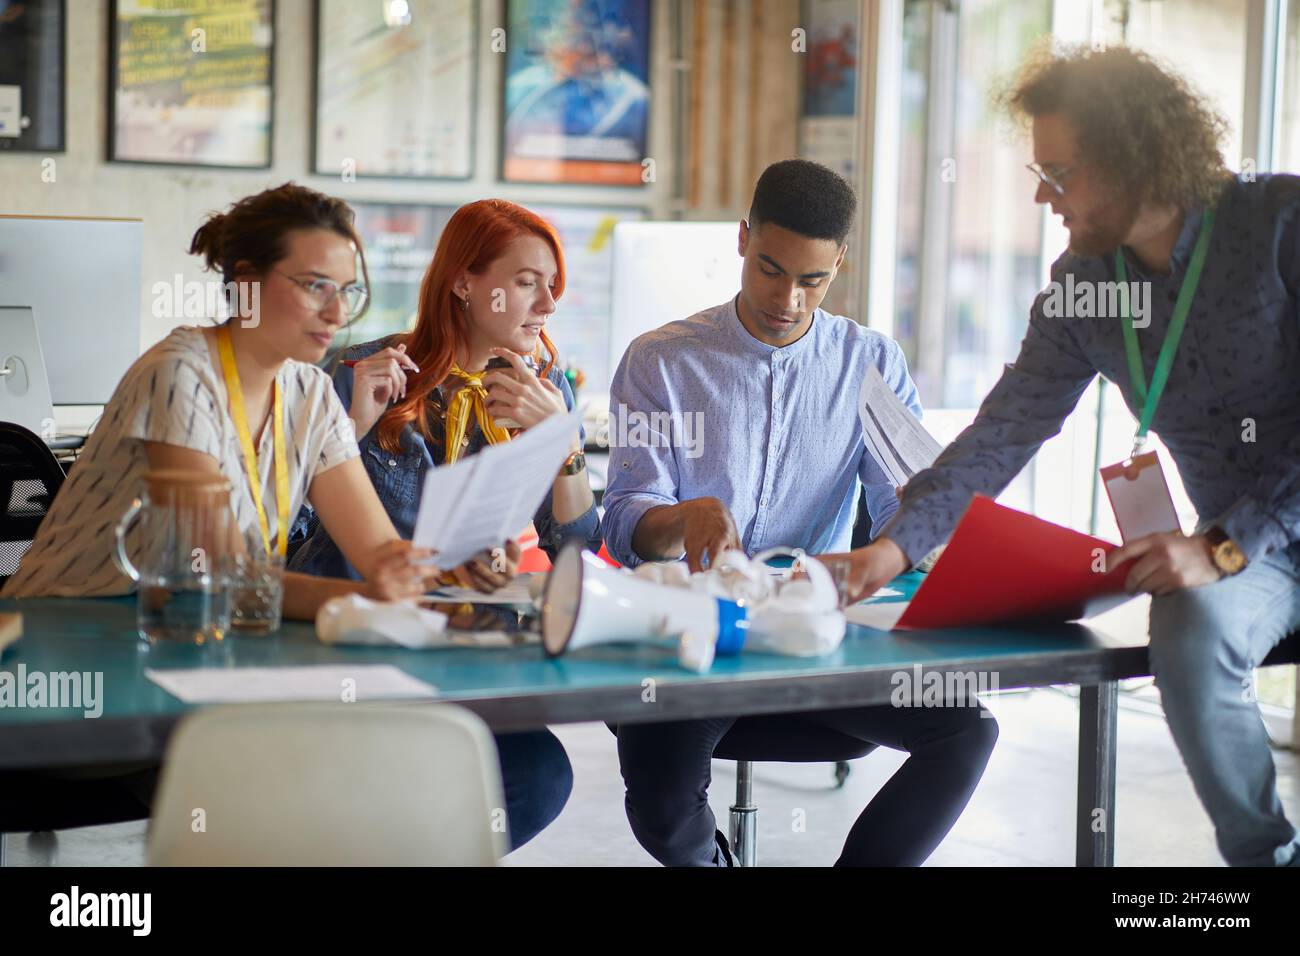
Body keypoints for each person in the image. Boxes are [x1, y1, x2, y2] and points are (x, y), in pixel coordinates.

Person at [844, 45, 1300, 867]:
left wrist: (1222, 546)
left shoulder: (1278, 226)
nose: (1038, 193)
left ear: (1137, 154)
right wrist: (895, 544)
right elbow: (1007, 427)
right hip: (1250, 559)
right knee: (1189, 627)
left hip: (1249, 537)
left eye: (1059, 171)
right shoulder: (1083, 288)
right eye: (1037, 169)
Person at [600, 159, 998, 866]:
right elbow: (627, 517)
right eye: (770, 268)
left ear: (840, 262)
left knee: (969, 730)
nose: (787, 298)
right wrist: (682, 518)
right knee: (662, 806)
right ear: (743, 238)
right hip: (694, 643)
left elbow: (897, 507)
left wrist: (932, 519)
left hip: (813, 643)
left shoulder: (870, 361)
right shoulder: (659, 360)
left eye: (812, 279)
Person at [2, 182, 474, 614]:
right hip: (63, 630)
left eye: (348, 290)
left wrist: (458, 564)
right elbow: (219, 577)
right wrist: (366, 598)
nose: (337, 312)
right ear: (247, 282)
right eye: (316, 286)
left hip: (183, 629)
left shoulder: (312, 393)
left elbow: (380, 553)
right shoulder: (180, 374)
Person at [289, 198, 601, 850]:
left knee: (540, 776)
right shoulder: (362, 372)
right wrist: (356, 429)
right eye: (525, 283)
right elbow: (285, 527)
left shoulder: (544, 389)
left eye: (551, 286)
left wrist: (561, 444)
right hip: (350, 641)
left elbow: (577, 549)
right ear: (463, 282)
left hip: (462, 653)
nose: (547, 304)